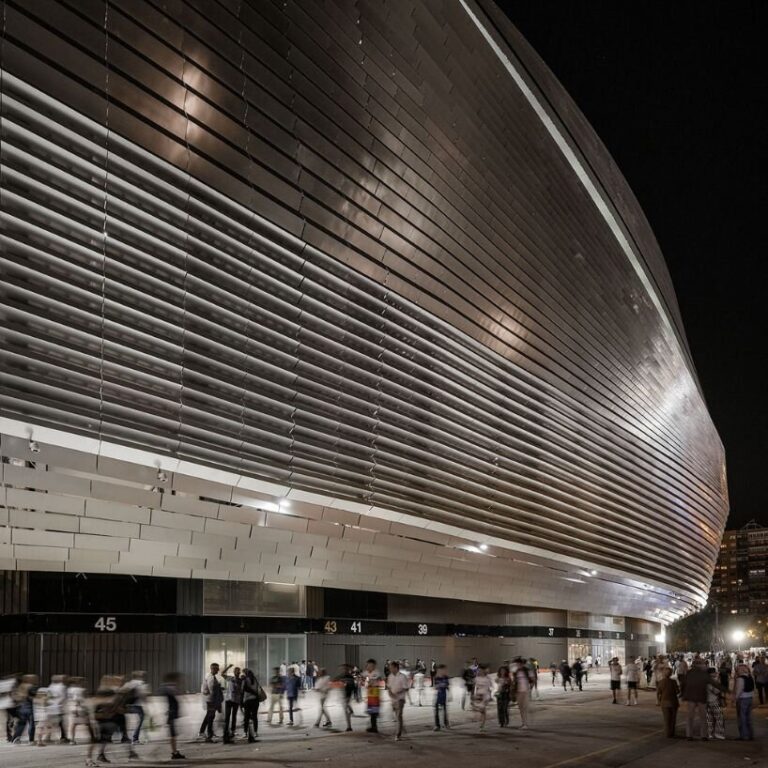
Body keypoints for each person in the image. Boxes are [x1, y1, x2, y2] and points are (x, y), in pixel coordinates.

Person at [159, 672, 186, 760]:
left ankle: (174, 752)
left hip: (172, 713)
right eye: (177, 679)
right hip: (172, 713)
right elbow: (174, 692)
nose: (178, 681)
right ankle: (174, 753)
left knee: (173, 734)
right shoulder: (168, 688)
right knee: (173, 734)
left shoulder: (168, 688)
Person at [681, 658, 709, 740]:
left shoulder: (689, 673)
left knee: (690, 717)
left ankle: (689, 735)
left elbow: (684, 684)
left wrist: (683, 694)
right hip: (701, 697)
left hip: (692, 697)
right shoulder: (703, 673)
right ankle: (703, 735)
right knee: (702, 717)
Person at [199, 662, 224, 742]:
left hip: (210, 700)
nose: (218, 670)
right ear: (213, 669)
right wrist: (217, 703)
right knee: (210, 717)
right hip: (212, 701)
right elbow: (212, 691)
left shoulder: (211, 676)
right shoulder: (211, 678)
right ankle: (209, 735)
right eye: (217, 668)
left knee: (208, 716)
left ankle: (202, 732)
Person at [121, 671, 148, 745]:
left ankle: (124, 737)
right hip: (137, 705)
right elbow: (143, 695)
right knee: (140, 720)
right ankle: (135, 739)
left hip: (128, 705)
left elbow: (121, 691)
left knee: (126, 721)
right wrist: (146, 703)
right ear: (139, 676)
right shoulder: (141, 683)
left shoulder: (128, 683)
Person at [386, 660, 409, 741]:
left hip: (400, 699)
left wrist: (397, 693)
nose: (390, 669)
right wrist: (390, 693)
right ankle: (401, 728)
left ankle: (398, 734)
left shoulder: (403, 677)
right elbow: (388, 687)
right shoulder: (390, 676)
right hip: (393, 699)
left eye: (391, 668)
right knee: (396, 716)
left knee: (398, 716)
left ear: (396, 668)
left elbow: (406, 688)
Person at [733, 662, 754, 740]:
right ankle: (750, 734)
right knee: (748, 718)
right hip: (750, 698)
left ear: (740, 670)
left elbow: (739, 690)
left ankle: (744, 735)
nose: (737, 671)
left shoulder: (740, 679)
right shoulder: (750, 677)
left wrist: (735, 699)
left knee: (742, 718)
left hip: (742, 699)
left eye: (737, 670)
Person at [657, 668, 680, 738]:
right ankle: (672, 732)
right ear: (671, 674)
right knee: (673, 718)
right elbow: (677, 691)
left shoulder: (661, 682)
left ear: (664, 674)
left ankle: (667, 733)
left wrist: (659, 701)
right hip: (673, 702)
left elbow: (658, 693)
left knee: (666, 719)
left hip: (664, 702)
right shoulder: (673, 682)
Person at [222, 666, 242, 743]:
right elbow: (222, 673)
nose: (237, 672)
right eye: (236, 671)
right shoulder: (230, 678)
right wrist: (228, 667)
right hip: (229, 700)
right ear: (233, 672)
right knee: (227, 717)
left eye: (238, 671)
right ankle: (226, 732)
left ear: (239, 672)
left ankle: (232, 731)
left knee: (234, 716)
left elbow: (241, 690)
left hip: (236, 701)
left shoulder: (240, 681)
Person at [241, 669, 261, 742]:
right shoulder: (255, 680)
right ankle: (256, 732)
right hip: (255, 700)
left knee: (246, 717)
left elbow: (242, 691)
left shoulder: (245, 680)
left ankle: (245, 733)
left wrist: (241, 702)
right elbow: (258, 690)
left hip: (247, 701)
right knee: (255, 717)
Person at [334, 664, 355, 732]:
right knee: (346, 708)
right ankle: (351, 710)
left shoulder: (350, 677)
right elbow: (335, 680)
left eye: (345, 669)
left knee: (345, 710)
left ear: (348, 669)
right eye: (343, 669)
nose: (344, 670)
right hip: (343, 695)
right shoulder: (341, 676)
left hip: (347, 695)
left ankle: (349, 726)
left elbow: (352, 687)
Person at [705, 667, 725, 740]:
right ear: (711, 673)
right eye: (714, 672)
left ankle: (710, 734)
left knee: (709, 719)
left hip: (707, 701)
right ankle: (719, 734)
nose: (716, 673)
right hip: (714, 701)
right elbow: (716, 691)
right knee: (719, 718)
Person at [471, 665, 492, 732]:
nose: (479, 671)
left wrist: (489, 697)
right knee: (480, 710)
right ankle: (481, 725)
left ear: (483, 670)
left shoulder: (487, 678)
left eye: (480, 670)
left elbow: (489, 688)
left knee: (483, 710)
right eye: (478, 670)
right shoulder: (476, 678)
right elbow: (474, 687)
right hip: (478, 695)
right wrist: (473, 695)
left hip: (484, 695)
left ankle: (482, 726)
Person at [513, 657, 532, 729]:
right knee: (520, 708)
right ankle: (523, 723)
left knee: (524, 708)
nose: (517, 665)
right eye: (516, 664)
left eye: (518, 663)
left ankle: (525, 724)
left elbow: (532, 679)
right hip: (518, 692)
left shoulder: (527, 670)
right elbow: (514, 682)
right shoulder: (516, 671)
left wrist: (530, 688)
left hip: (525, 691)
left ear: (521, 663)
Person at [364, 659, 381, 733]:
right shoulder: (369, 673)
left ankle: (374, 728)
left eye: (369, 665)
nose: (367, 667)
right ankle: (373, 727)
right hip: (371, 695)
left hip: (375, 695)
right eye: (367, 665)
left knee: (373, 713)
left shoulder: (376, 673)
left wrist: (369, 682)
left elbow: (372, 682)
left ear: (373, 666)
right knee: (371, 712)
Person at [432, 664, 450, 731]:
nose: (444, 671)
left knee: (444, 711)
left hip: (444, 696)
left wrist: (450, 695)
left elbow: (447, 686)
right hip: (437, 696)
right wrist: (441, 685)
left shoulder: (446, 677)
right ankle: (437, 725)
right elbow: (435, 687)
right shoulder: (436, 677)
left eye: (445, 670)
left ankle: (446, 724)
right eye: (442, 670)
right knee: (436, 712)